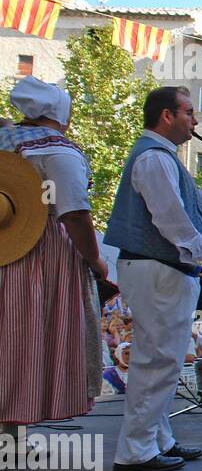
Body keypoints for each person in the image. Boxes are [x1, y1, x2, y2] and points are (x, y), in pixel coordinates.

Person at [102, 86, 202, 471]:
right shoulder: (154, 158)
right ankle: (135, 451)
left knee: (163, 360)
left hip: (161, 270)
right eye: (188, 112)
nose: (195, 120)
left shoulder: (160, 157)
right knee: (156, 361)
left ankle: (157, 438)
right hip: (157, 269)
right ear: (167, 116)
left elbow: (188, 204)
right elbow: (171, 218)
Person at [0, 77, 108, 446]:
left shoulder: (8, 140)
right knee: (26, 338)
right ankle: (11, 437)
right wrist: (95, 259)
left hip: (5, 241)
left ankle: (10, 435)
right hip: (37, 251)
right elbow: (75, 213)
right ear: (60, 113)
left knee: (8, 338)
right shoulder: (57, 151)